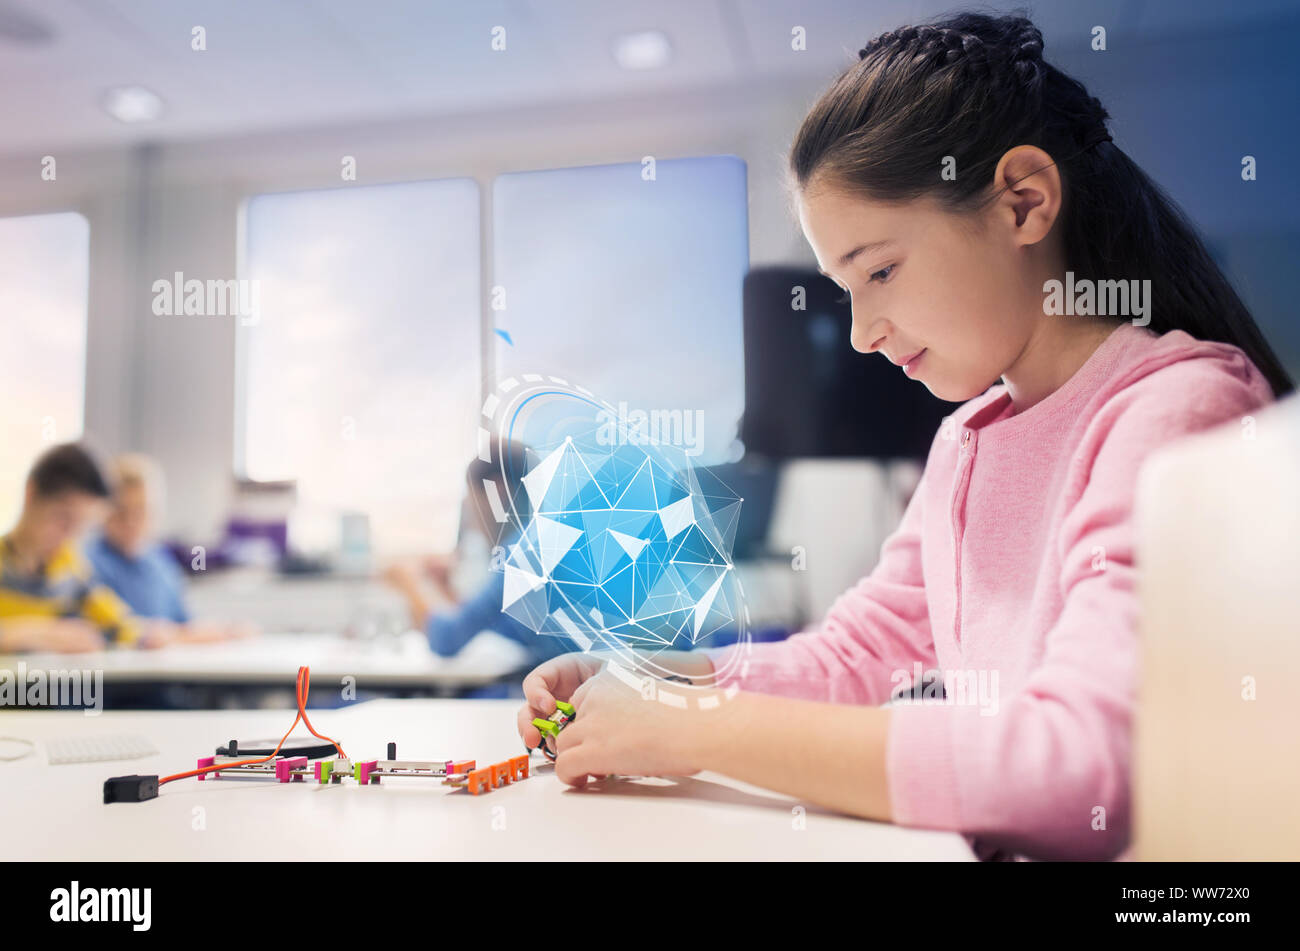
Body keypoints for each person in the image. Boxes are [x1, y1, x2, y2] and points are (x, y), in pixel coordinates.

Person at [513, 12, 1294, 861]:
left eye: (880, 270)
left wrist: (694, 730)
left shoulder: (1175, 408)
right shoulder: (965, 441)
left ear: (1023, 201)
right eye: (845, 288)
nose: (859, 333)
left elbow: (1079, 766)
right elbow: (862, 652)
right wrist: (656, 681)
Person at [383, 443, 568, 666]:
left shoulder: (523, 551)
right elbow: (489, 625)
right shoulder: (548, 539)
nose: (471, 517)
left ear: (496, 490)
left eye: (471, 500)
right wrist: (444, 589)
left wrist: (409, 585)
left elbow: (447, 640)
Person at [0, 444, 166, 652]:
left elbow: (122, 626)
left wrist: (158, 636)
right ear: (31, 494)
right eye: (63, 517)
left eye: (81, 525)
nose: (68, 535)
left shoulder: (69, 569)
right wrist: (34, 634)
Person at [84, 454, 253, 643]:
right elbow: (102, 631)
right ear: (102, 510)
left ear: (155, 511)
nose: (131, 522)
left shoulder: (161, 564)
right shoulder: (85, 565)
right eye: (121, 511)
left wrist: (224, 631)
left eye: (140, 511)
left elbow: (185, 624)